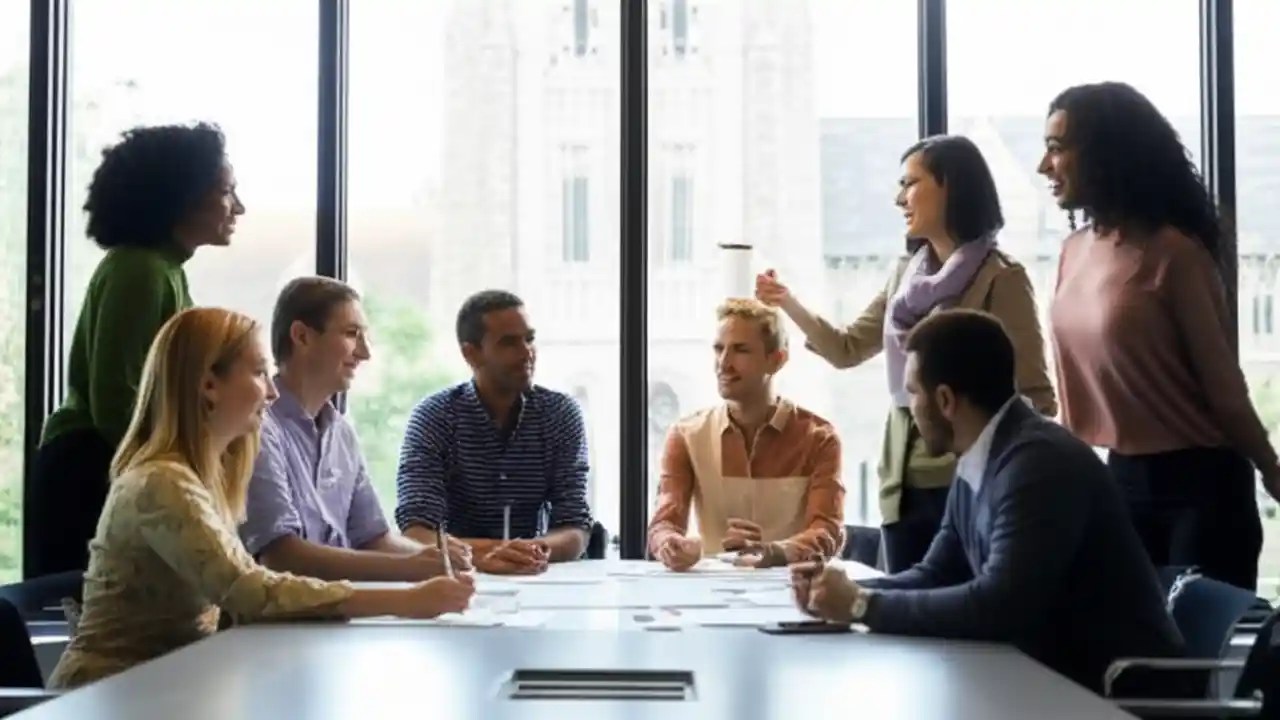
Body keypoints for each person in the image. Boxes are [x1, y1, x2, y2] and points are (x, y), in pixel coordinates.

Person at [48, 308, 475, 690]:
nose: (271, 392)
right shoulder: (161, 483)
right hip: (112, 696)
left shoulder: (204, 476)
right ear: (209, 385)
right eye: (258, 373)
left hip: (173, 684)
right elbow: (249, 590)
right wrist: (406, 601)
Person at [791, 309, 1184, 695]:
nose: (909, 410)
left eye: (912, 392)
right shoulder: (982, 455)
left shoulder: (1037, 464)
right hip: (1048, 679)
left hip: (1113, 692)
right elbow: (936, 573)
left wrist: (862, 605)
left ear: (945, 400)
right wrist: (832, 594)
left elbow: (1000, 606)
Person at [757, 135, 1055, 573]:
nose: (899, 198)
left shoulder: (1001, 278)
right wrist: (787, 303)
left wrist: (1001, 470)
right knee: (903, 614)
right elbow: (847, 348)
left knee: (960, 617)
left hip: (968, 481)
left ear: (949, 186)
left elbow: (1037, 397)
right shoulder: (905, 276)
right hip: (901, 479)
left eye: (910, 183)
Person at [1042, 81, 1280, 591]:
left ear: (1106, 152)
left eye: (1058, 148)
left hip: (1202, 488)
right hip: (1119, 480)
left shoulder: (1176, 254)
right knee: (1123, 647)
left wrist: (1271, 469)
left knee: (1186, 660)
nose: (1046, 166)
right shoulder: (1074, 251)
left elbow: (1225, 389)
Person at [27, 122, 243, 578]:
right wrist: (181, 472)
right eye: (226, 191)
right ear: (181, 196)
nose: (237, 207)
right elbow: (116, 398)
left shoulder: (164, 269)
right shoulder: (141, 270)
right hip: (91, 468)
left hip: (113, 463)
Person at [240, 277, 471, 581]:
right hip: (281, 622)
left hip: (340, 614)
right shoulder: (257, 426)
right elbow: (281, 555)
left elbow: (374, 539)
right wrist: (411, 567)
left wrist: (441, 559)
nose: (365, 352)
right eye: (352, 334)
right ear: (302, 336)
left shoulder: (342, 431)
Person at [395, 290, 592, 575]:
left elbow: (575, 528)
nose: (527, 352)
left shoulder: (559, 414)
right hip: (453, 579)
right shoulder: (435, 416)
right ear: (471, 353)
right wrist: (485, 555)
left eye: (530, 339)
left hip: (534, 576)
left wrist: (527, 553)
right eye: (509, 343)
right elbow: (417, 532)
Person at [648, 299, 844, 570]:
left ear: (777, 360)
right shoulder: (685, 436)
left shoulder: (819, 438)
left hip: (792, 591)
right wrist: (671, 545)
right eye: (719, 349)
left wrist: (773, 552)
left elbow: (827, 530)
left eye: (740, 350)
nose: (723, 363)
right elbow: (663, 524)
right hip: (712, 597)